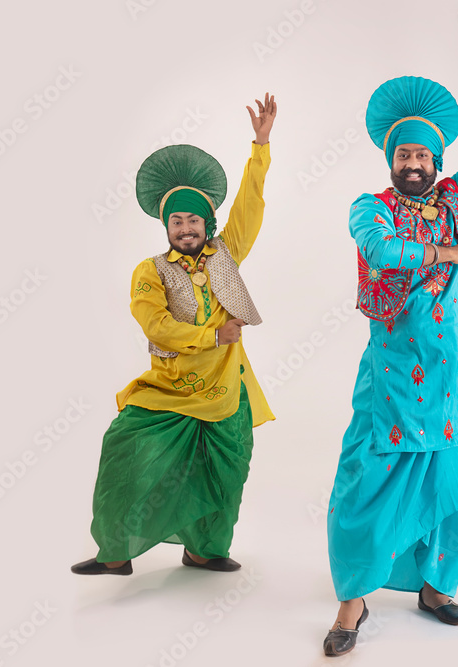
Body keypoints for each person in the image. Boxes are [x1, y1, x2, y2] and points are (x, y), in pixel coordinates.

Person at [323, 57, 458, 657]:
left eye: (423, 156)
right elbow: (381, 252)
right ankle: (353, 600)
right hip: (396, 383)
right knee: (368, 484)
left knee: (451, 480)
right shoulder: (371, 206)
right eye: (404, 155)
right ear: (392, 162)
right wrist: (449, 254)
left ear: (437, 162)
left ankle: (436, 588)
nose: (414, 164)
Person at [70, 94, 278, 576]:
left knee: (225, 472)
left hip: (227, 391)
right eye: (177, 221)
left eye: (194, 220)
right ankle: (116, 552)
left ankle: (204, 550)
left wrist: (260, 146)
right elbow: (155, 324)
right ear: (167, 226)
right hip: (168, 390)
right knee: (125, 449)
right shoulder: (152, 270)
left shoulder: (225, 255)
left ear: (208, 224)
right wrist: (213, 337)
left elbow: (250, 205)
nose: (186, 228)